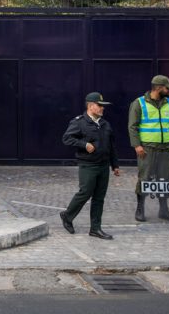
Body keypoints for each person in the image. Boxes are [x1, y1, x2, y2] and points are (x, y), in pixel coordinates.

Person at [59, 92, 120, 240]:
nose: (102, 109)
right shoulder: (79, 122)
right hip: (88, 165)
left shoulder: (105, 124)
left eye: (102, 106)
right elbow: (66, 138)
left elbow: (111, 146)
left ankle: (95, 228)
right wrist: (84, 144)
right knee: (85, 192)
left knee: (99, 197)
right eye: (100, 106)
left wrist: (115, 165)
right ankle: (67, 215)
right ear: (90, 106)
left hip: (104, 165)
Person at [128, 75, 169, 223]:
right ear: (158, 88)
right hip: (147, 149)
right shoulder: (139, 103)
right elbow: (132, 127)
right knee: (144, 178)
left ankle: (164, 210)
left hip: (166, 149)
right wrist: (137, 145)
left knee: (164, 179)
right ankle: (140, 208)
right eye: (167, 88)